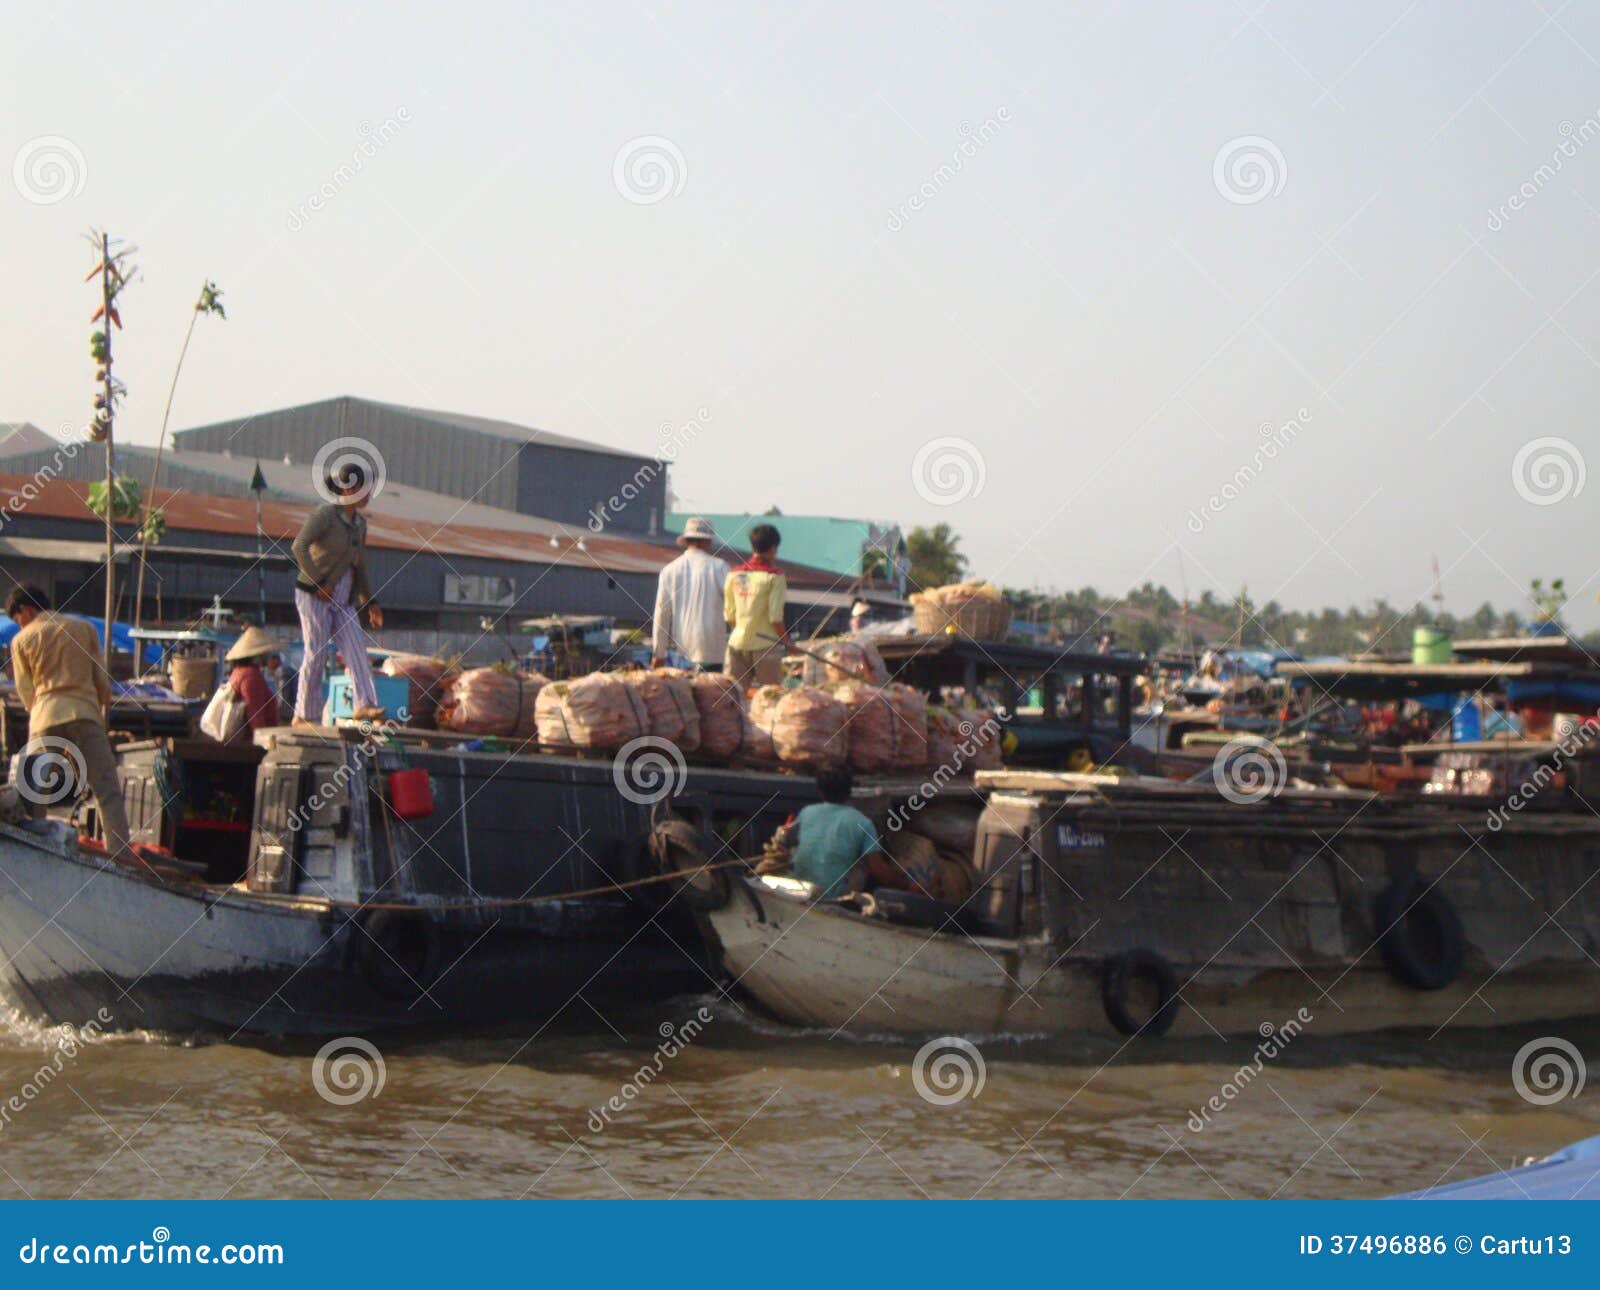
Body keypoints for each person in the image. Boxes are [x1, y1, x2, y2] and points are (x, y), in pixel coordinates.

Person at [4, 584, 132, 861]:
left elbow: (25, 691)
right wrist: (100, 709)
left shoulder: (22, 639)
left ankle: (31, 851)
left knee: (34, 792)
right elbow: (102, 682)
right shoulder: (83, 629)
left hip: (44, 716)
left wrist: (38, 706)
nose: (19, 624)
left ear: (26, 610)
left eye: (17, 619)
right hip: (85, 714)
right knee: (106, 789)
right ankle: (122, 858)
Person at [291, 464, 384, 725]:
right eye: (364, 489)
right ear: (348, 489)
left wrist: (370, 601)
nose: (367, 496)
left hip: (344, 596)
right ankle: (304, 713)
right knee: (317, 653)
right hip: (314, 594)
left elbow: (360, 566)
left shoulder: (360, 525)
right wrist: (319, 582)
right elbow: (299, 546)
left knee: (356, 648)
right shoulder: (326, 516)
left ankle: (365, 704)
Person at [775, 766, 879, 898]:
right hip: (834, 899)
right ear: (849, 791)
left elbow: (785, 841)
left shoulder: (807, 812)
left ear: (821, 791)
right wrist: (905, 886)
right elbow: (878, 869)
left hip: (798, 893)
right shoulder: (863, 822)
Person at [651, 516, 730, 671]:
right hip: (713, 650)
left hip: (682, 651)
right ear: (707, 541)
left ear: (686, 540)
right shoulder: (720, 567)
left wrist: (659, 653)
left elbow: (662, 615)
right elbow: (734, 608)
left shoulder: (669, 570)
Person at [724, 522, 788, 689]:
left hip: (737, 644)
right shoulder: (774, 577)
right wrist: (787, 642)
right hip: (765, 647)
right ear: (774, 548)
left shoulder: (734, 574)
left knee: (733, 699)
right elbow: (775, 617)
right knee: (771, 697)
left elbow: (729, 615)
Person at [223, 626, 283, 737]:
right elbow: (255, 714)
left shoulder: (238, 672)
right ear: (257, 656)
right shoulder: (251, 676)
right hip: (249, 743)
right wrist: (264, 742)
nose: (269, 657)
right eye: (266, 653)